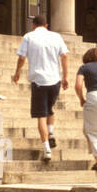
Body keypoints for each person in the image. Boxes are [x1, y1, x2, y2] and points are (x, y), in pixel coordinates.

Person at [11, 14, 69, 162]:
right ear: (47, 25)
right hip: (54, 80)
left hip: (38, 81)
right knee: (49, 108)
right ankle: (51, 133)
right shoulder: (56, 37)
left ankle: (47, 149)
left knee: (41, 116)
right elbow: (64, 56)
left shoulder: (29, 37)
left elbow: (22, 58)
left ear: (33, 25)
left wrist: (17, 73)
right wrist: (65, 77)